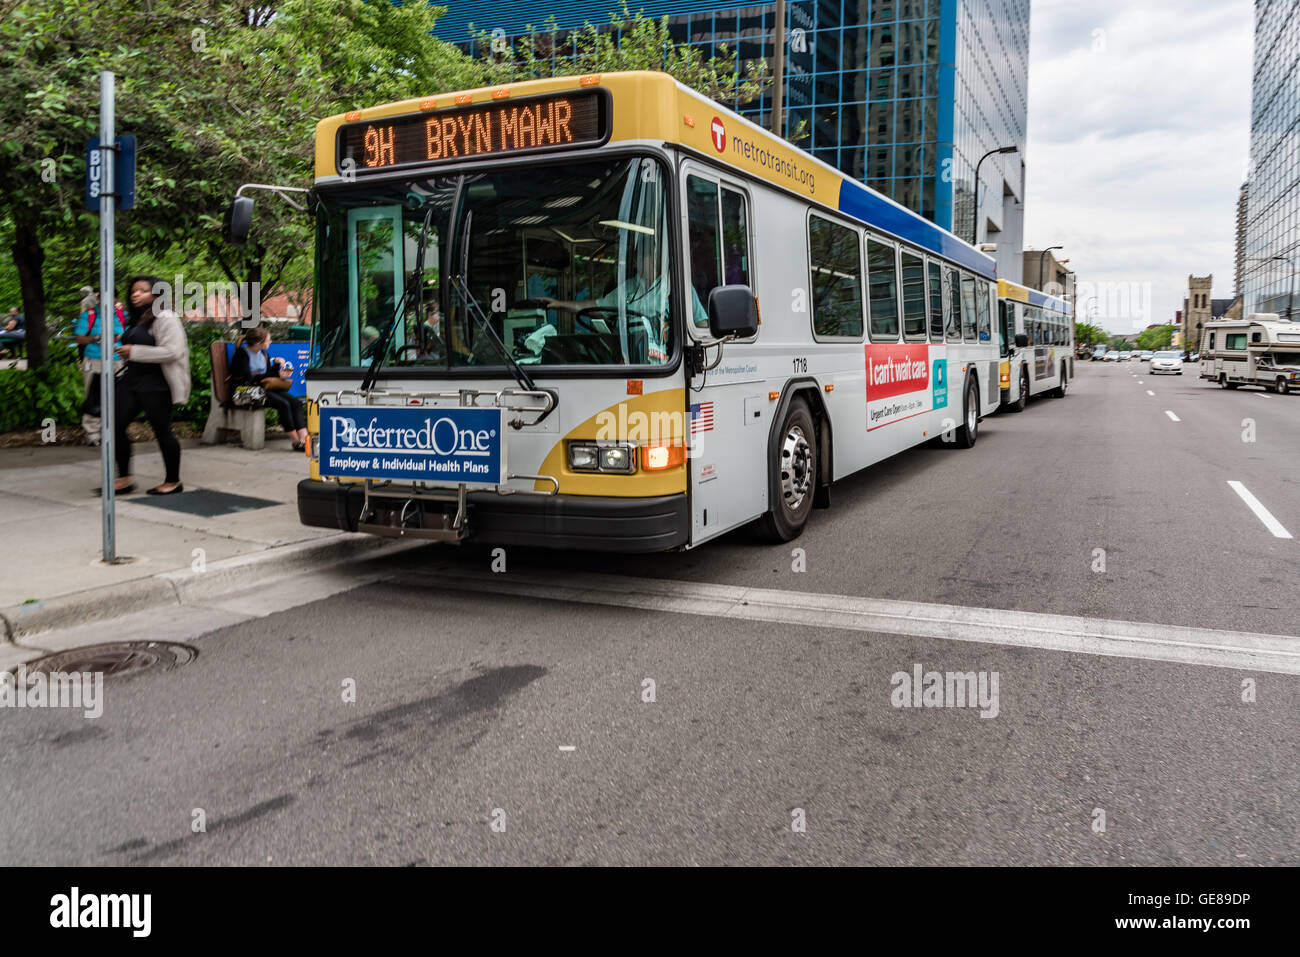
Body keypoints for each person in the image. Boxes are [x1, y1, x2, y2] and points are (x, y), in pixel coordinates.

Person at [99, 275, 190, 496]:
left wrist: (134, 351)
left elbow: (173, 351)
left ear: (157, 294)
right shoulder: (138, 319)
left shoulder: (166, 316)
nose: (135, 294)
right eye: (133, 291)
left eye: (142, 290)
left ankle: (173, 481)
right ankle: (124, 479)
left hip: (157, 384)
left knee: (162, 432)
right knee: (113, 426)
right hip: (132, 381)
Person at [229, 326, 307, 450]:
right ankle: (295, 441)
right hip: (241, 392)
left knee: (295, 402)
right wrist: (275, 373)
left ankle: (304, 438)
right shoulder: (241, 355)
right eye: (268, 340)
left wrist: (276, 367)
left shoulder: (264, 355)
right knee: (283, 404)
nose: (270, 342)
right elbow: (249, 379)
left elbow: (266, 376)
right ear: (258, 343)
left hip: (261, 389)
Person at [74, 287, 125, 446]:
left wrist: (115, 337)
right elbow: (80, 339)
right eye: (103, 297)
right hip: (93, 360)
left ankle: (110, 431)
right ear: (98, 298)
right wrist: (96, 337)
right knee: (92, 396)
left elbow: (123, 334)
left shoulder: (119, 315)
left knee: (116, 396)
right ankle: (92, 434)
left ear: (116, 299)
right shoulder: (88, 315)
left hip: (116, 359)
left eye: (112, 297)